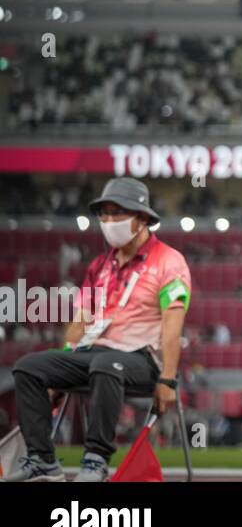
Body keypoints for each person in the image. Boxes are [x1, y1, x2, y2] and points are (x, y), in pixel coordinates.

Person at [5, 177, 192, 482]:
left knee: (107, 364)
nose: (107, 221)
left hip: (142, 360)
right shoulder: (100, 265)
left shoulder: (170, 262)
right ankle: (42, 459)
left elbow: (173, 321)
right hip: (93, 354)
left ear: (141, 218)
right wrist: (62, 369)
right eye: (103, 214)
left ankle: (95, 460)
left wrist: (168, 379)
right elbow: (81, 319)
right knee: (29, 367)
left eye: (117, 213)